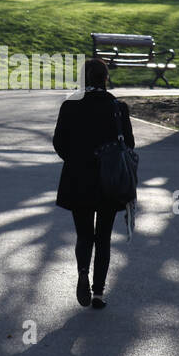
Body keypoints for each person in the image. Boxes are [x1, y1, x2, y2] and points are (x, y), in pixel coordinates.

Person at [52, 57, 135, 309]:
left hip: (78, 180)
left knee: (84, 233)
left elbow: (59, 144)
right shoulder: (118, 107)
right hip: (110, 182)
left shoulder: (70, 106)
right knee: (104, 237)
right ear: (105, 79)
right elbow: (128, 145)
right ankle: (98, 292)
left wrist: (76, 159)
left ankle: (82, 273)